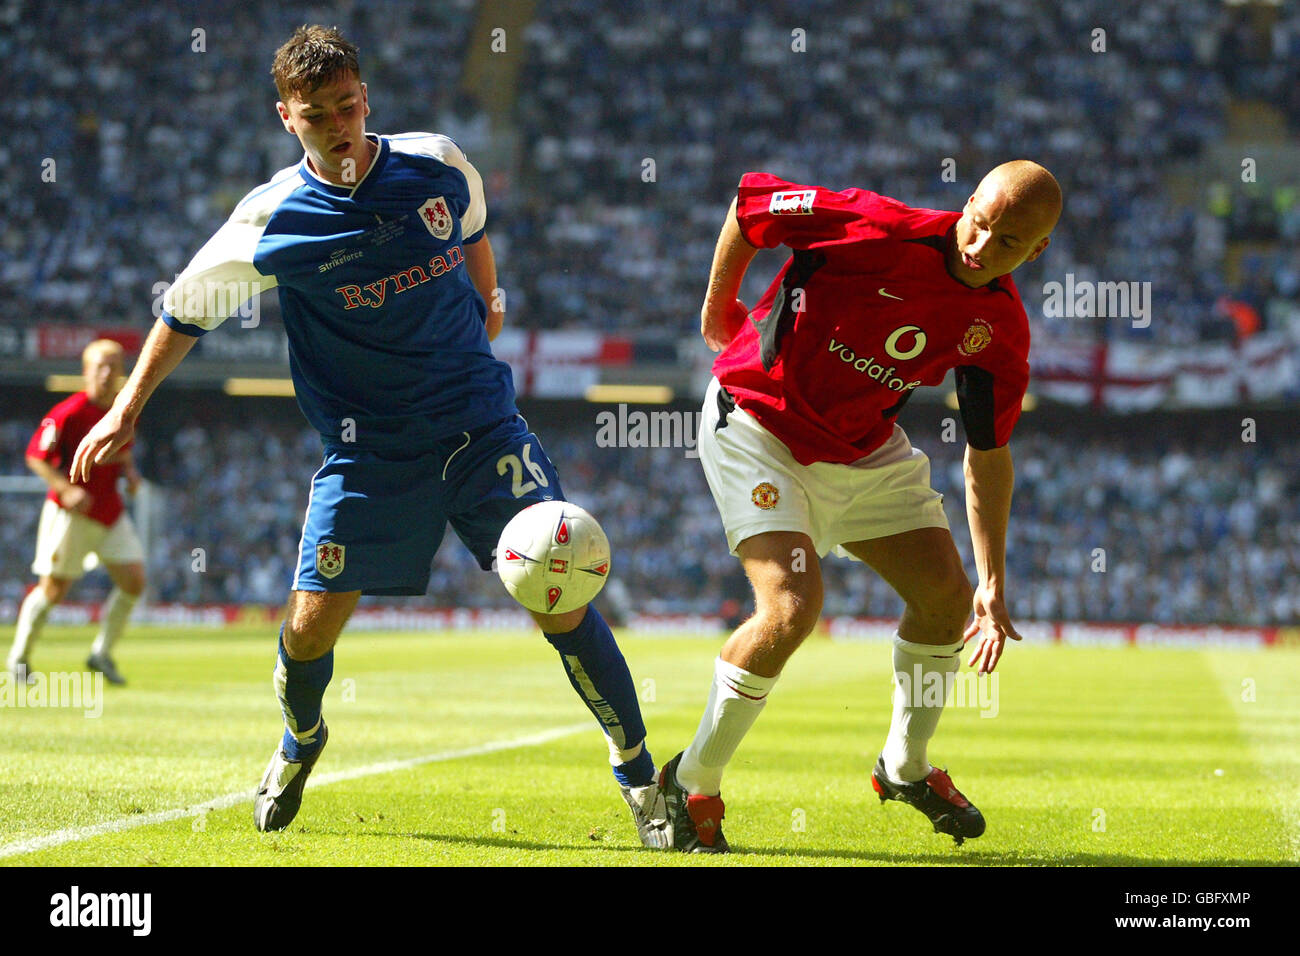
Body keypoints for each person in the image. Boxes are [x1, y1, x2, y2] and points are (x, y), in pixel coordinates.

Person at [71, 25, 667, 846]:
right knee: (310, 625)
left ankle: (639, 776)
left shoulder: (438, 164)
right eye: (318, 115)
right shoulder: (269, 218)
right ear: (288, 118)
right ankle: (300, 741)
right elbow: (183, 312)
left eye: (349, 106)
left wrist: (486, 321)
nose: (339, 125)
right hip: (371, 452)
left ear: (366, 99)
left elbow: (474, 236)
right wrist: (126, 409)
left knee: (560, 595)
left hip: (482, 428)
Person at [658, 162, 1062, 852]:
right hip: (758, 424)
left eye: (1007, 242)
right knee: (791, 607)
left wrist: (993, 583)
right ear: (968, 203)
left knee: (945, 597)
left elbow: (987, 454)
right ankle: (690, 783)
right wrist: (716, 306)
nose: (981, 245)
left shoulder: (998, 328)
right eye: (981, 221)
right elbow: (751, 203)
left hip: (861, 448)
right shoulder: (874, 226)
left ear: (1036, 252)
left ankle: (903, 769)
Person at [7, 339, 145, 686]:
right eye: (100, 366)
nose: (107, 373)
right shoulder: (67, 413)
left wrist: (129, 474)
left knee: (134, 580)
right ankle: (19, 657)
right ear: (85, 372)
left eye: (114, 367)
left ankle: (101, 653)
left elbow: (121, 453)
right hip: (71, 515)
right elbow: (35, 456)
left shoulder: (123, 411)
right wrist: (65, 488)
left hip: (110, 511)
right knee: (55, 589)